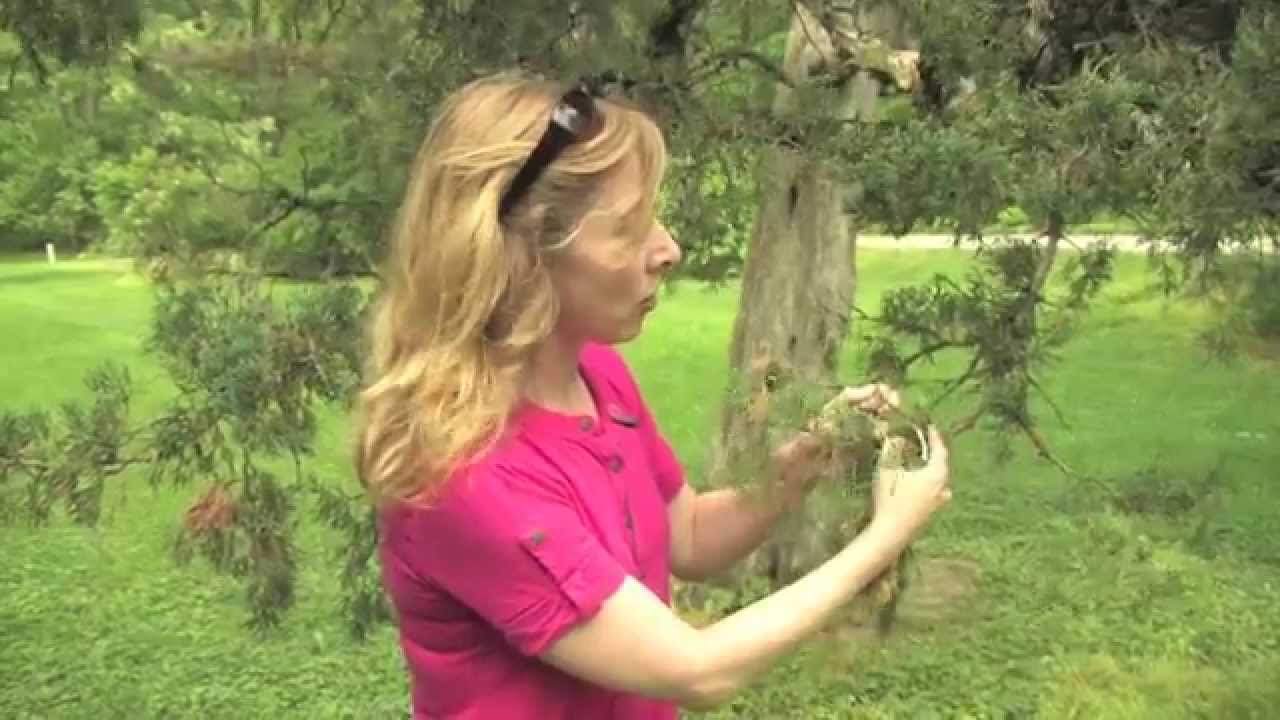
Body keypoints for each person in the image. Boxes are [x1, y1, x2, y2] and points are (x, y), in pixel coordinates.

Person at [354, 71, 953, 720]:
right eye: (629, 227)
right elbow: (695, 670)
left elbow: (687, 536)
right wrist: (886, 536)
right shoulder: (464, 472)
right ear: (520, 253)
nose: (668, 248)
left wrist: (790, 473)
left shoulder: (598, 376)